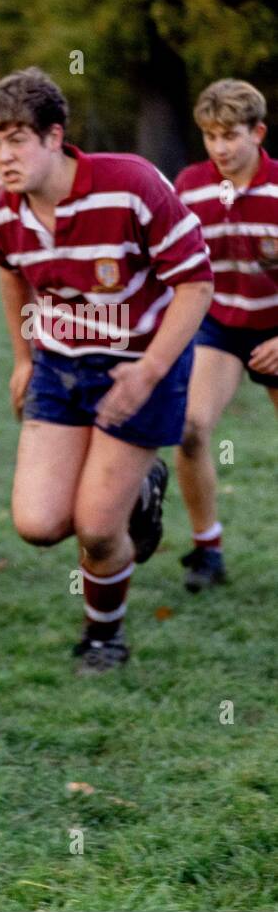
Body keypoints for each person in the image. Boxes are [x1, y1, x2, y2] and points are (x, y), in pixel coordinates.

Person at [0, 68, 214, 672]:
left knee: (97, 529)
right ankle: (139, 488)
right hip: (58, 368)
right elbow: (10, 274)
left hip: (141, 366)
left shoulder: (130, 183)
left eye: (16, 141)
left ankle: (103, 637)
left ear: (55, 137)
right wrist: (24, 358)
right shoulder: (4, 213)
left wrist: (148, 371)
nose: (3, 157)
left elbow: (194, 283)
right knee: (37, 524)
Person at [172, 79, 278, 592]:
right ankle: (207, 549)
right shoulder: (189, 185)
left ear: (258, 132)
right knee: (190, 430)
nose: (221, 148)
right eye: (211, 136)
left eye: (231, 135)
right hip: (219, 325)